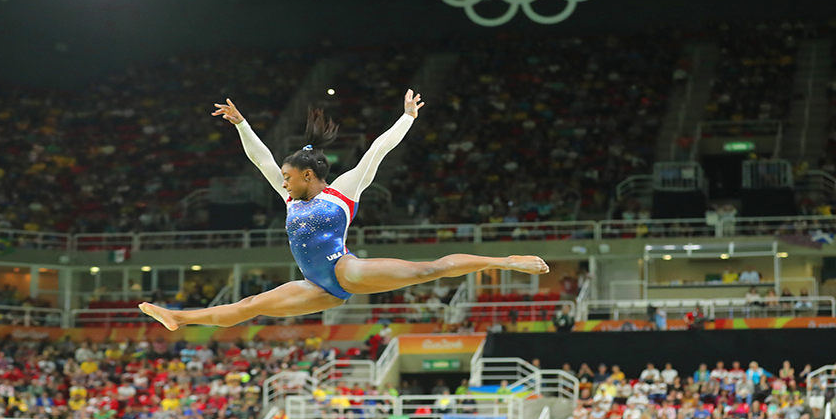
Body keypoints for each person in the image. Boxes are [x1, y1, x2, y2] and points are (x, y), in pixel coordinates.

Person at [140, 91, 549, 329]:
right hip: (317, 286)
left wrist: (406, 118)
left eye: (288, 175)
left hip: (342, 269)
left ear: (307, 175)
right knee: (251, 306)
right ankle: (180, 318)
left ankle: (507, 259)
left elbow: (378, 150)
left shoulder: (343, 193)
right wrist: (242, 125)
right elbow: (260, 159)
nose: (281, 180)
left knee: (429, 269)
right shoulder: (289, 197)